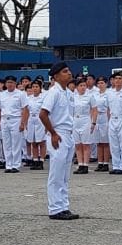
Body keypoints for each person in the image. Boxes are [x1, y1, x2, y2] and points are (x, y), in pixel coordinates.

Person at [37, 62, 80, 219]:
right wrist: (53, 133)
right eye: (65, 72)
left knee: (64, 174)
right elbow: (43, 114)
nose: (69, 74)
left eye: (68, 71)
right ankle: (55, 208)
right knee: (56, 173)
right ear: (55, 76)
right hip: (58, 134)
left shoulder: (68, 92)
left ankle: (63, 205)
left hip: (68, 134)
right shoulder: (53, 92)